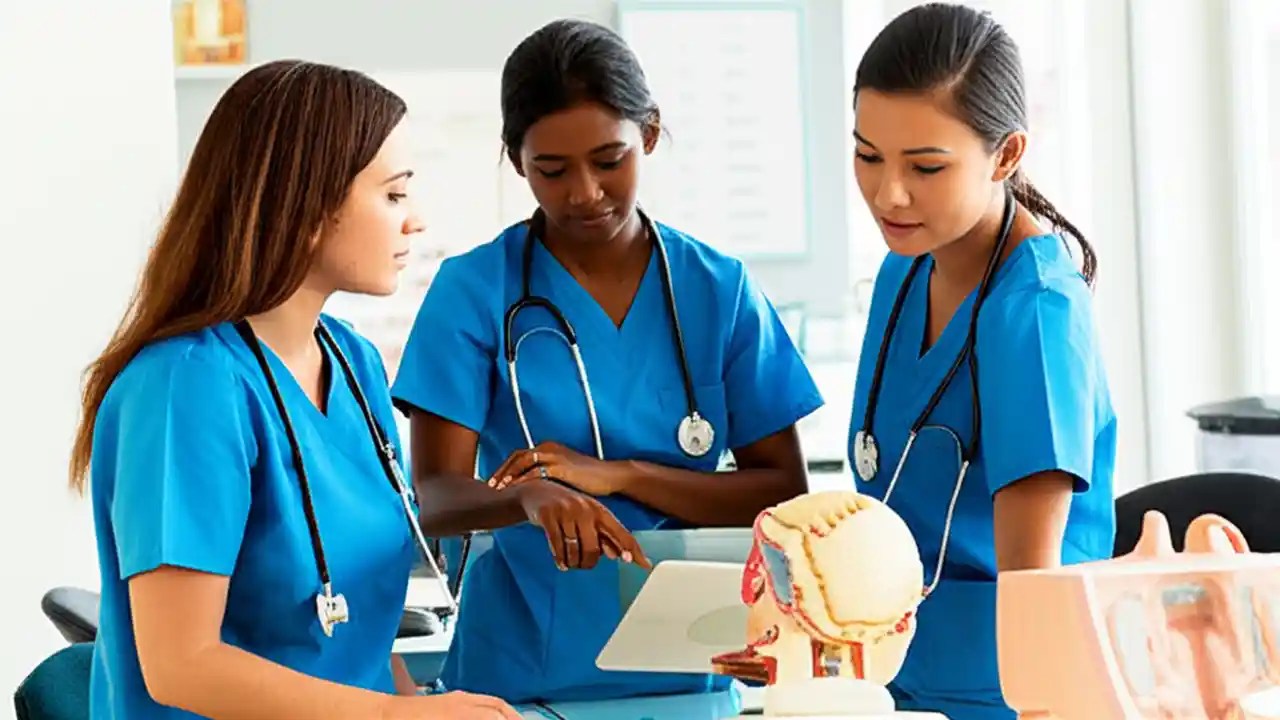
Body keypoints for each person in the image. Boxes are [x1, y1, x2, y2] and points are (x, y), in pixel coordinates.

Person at [390, 18, 825, 706]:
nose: (584, 193)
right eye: (552, 171)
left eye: (609, 160)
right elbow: (436, 498)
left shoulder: (717, 289)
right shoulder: (474, 291)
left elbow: (781, 488)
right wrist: (526, 499)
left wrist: (621, 475)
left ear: (648, 135)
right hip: (520, 677)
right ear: (516, 160)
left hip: (693, 670)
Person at [69, 59, 519, 720]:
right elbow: (180, 665)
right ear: (307, 207)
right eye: (393, 195)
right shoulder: (185, 387)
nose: (415, 221)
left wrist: (418, 702)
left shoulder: (354, 360)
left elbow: (347, 633)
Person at [845, 5, 1116, 720]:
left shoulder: (1033, 309)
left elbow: (1033, 584)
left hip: (1006, 693)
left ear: (1005, 154)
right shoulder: (906, 270)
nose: (887, 194)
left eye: (925, 166)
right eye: (868, 156)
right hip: (887, 679)